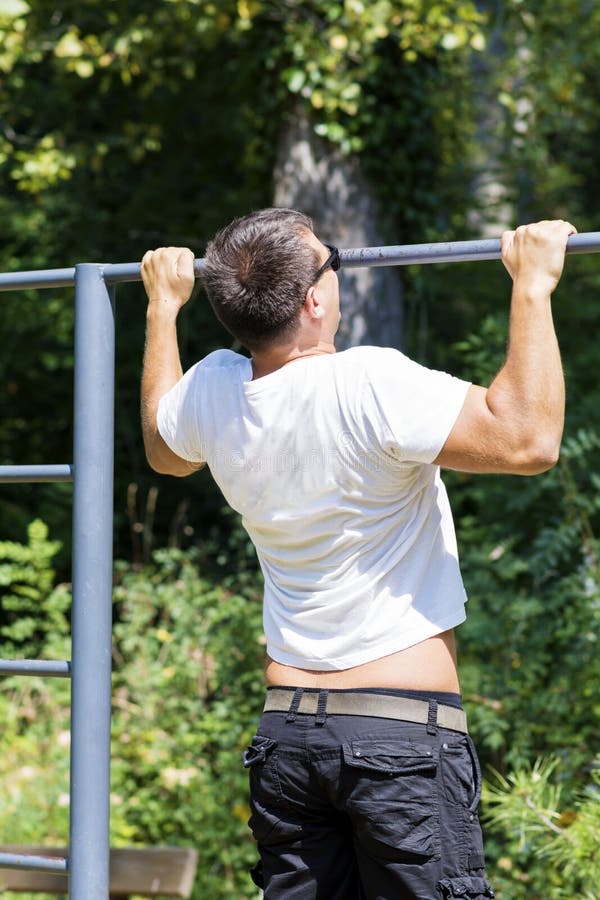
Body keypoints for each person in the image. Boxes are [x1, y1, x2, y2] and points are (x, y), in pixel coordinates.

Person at [140, 208, 575, 900]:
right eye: (333, 259)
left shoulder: (215, 390)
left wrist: (163, 309)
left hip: (287, 739)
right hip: (399, 741)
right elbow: (528, 441)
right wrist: (532, 284)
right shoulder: (367, 383)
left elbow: (163, 451)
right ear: (315, 299)